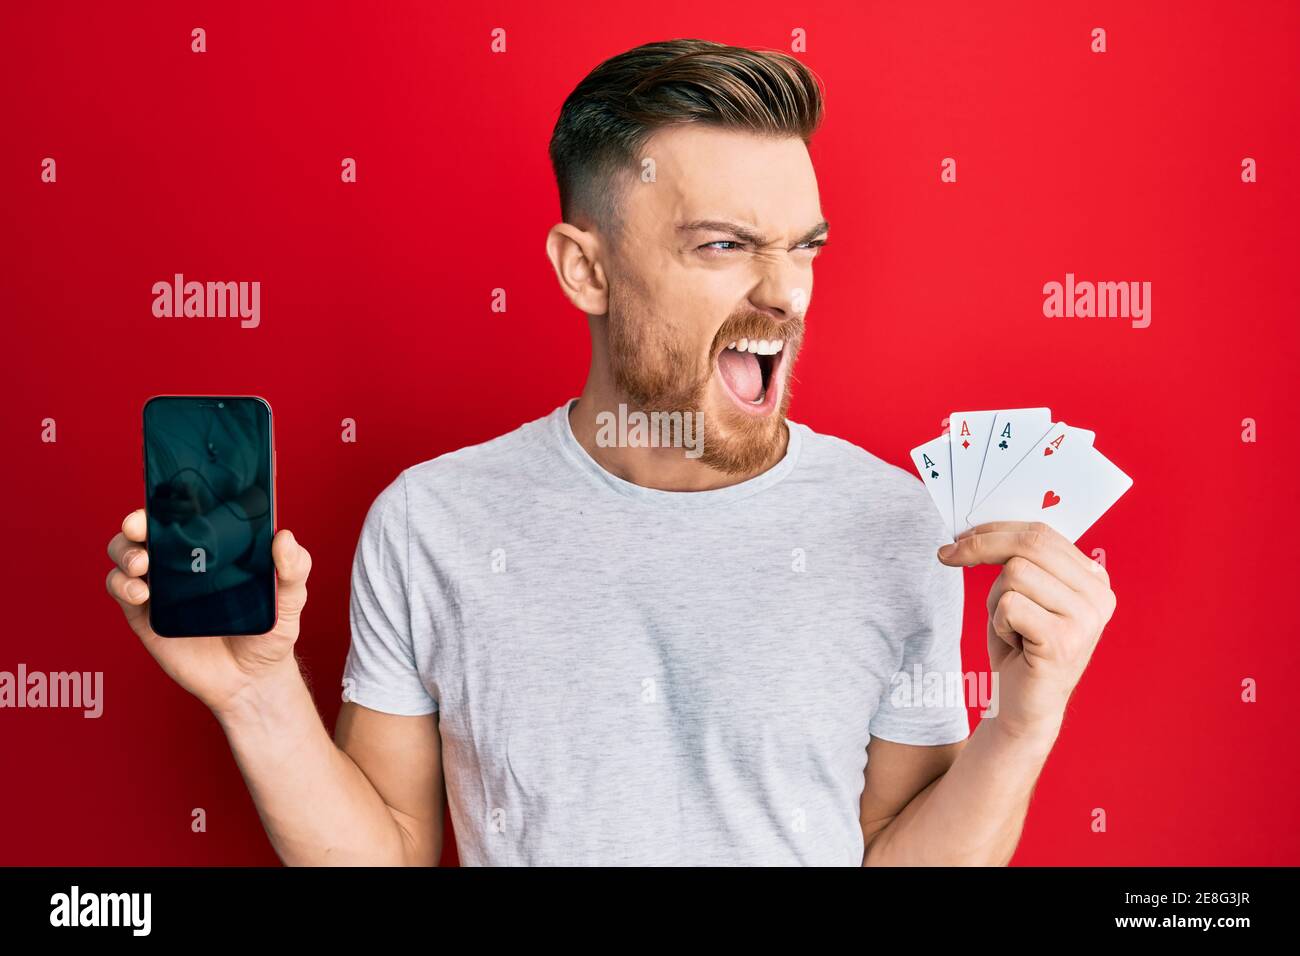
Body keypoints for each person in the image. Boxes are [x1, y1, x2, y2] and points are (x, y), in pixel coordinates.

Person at [105, 38, 1116, 866]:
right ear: (583, 267)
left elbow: (895, 852)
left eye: (801, 245)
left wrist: (1021, 725)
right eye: (722, 245)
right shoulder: (431, 521)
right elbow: (395, 852)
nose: (785, 294)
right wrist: (256, 696)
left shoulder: (901, 527)